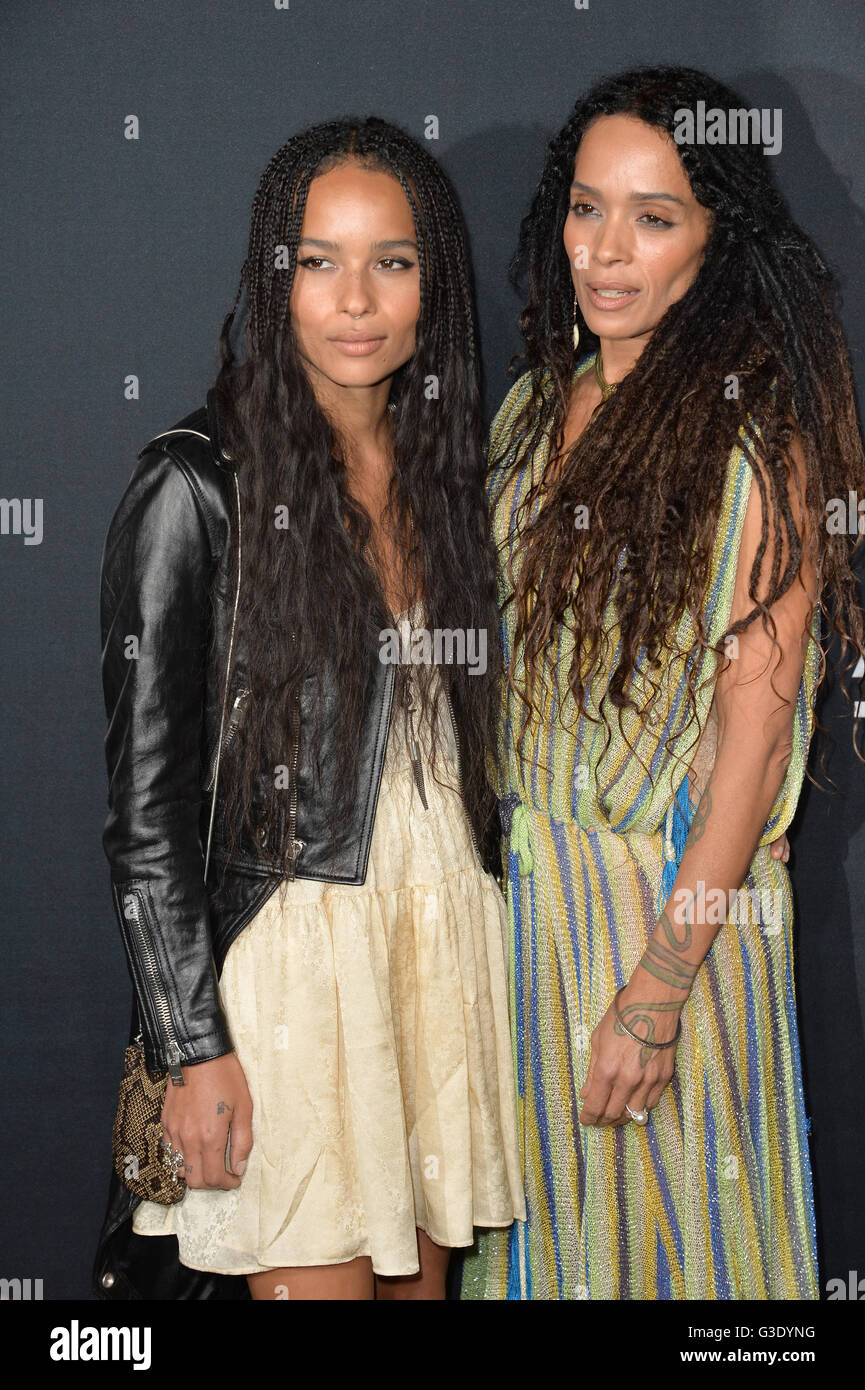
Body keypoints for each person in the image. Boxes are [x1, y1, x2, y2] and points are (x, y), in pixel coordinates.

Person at [93, 115, 525, 1302]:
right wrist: (191, 1046)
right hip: (286, 973)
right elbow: (145, 813)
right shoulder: (194, 482)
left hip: (437, 952)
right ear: (271, 278)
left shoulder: (451, 475)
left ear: (431, 282)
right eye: (317, 260)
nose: (354, 297)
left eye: (391, 260)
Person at [456, 65, 865, 1300]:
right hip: (528, 916)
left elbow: (754, 723)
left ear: (714, 239)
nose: (606, 250)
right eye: (587, 209)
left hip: (666, 931)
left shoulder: (760, 439)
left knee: (685, 1271)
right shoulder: (531, 409)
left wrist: (657, 991)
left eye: (654, 216)